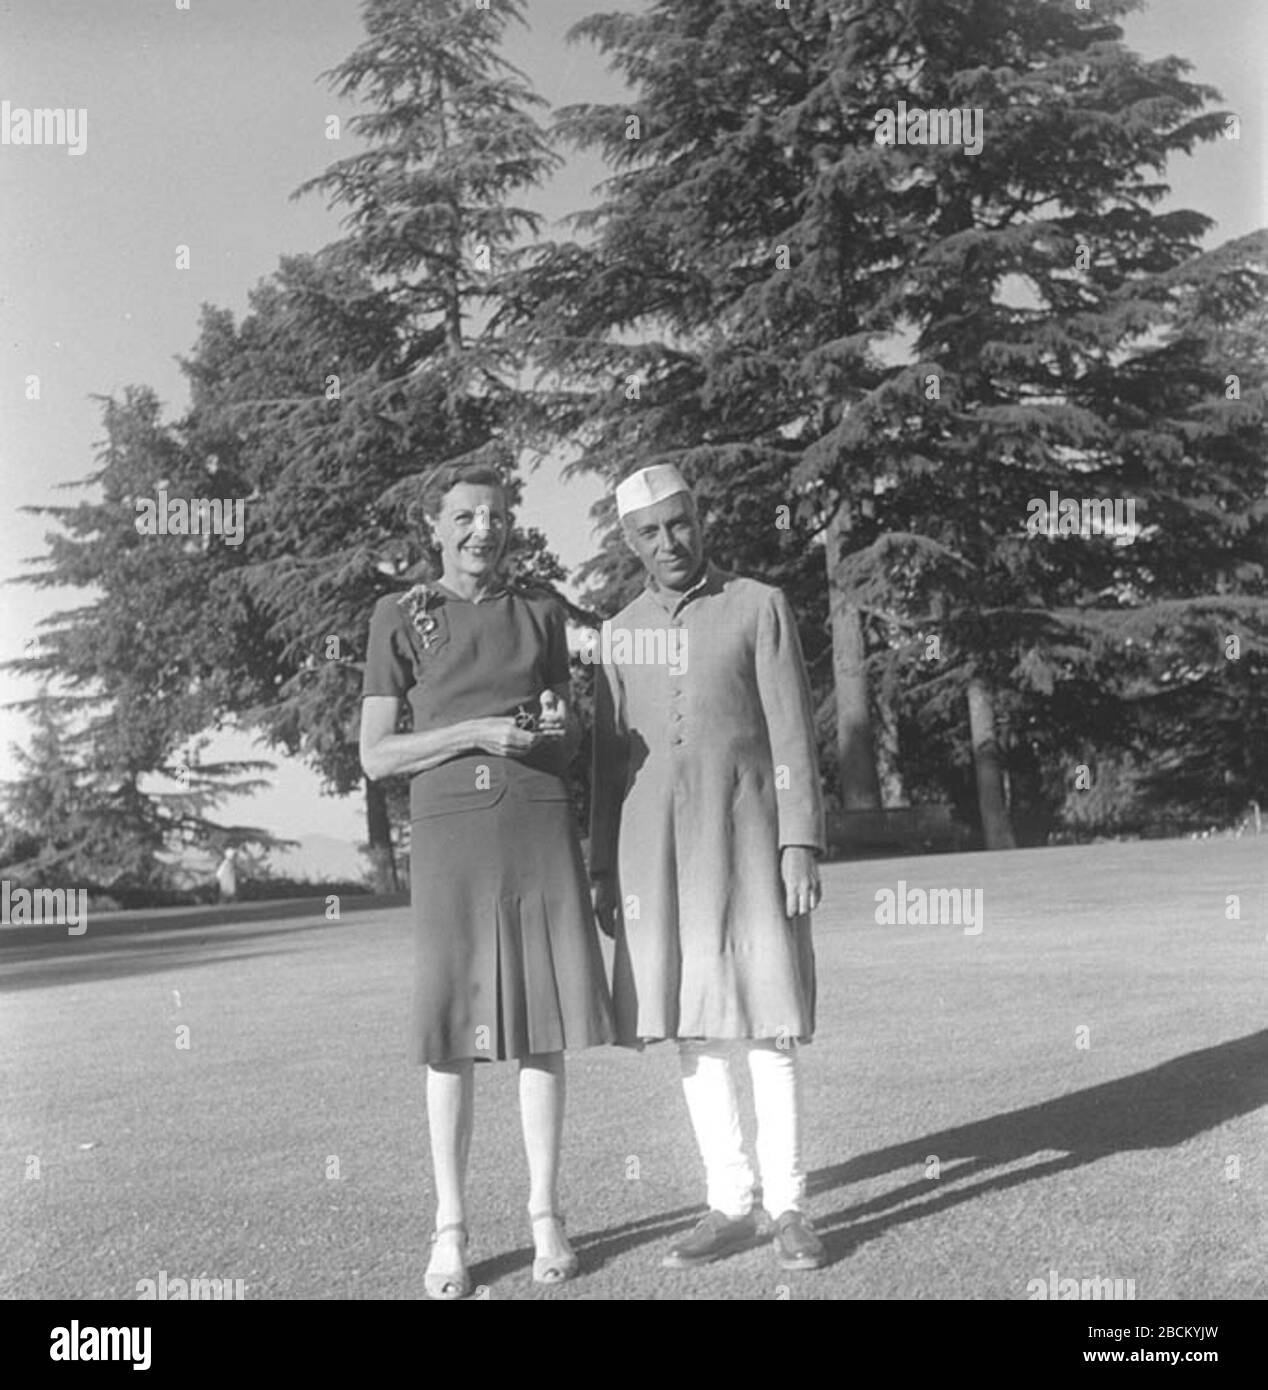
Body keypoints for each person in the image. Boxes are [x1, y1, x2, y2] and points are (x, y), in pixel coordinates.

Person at [359, 462, 614, 1300]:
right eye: (466, 516)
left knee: (541, 1026)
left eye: (498, 515)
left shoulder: (540, 610)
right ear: (434, 526)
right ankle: (451, 1230)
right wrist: (474, 732)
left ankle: (546, 1216)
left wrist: (559, 726)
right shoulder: (398, 615)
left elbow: (561, 730)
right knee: (454, 1036)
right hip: (450, 838)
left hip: (536, 825)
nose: (483, 529)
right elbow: (376, 754)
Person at [589, 463, 828, 1272]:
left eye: (680, 523)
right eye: (649, 532)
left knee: (769, 1022)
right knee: (691, 1028)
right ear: (630, 541)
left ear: (701, 518)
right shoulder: (616, 636)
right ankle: (730, 1200)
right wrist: (599, 869)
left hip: (753, 838)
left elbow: (792, 737)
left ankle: (788, 1206)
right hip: (655, 857)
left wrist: (800, 840)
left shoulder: (759, 605)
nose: (669, 542)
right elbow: (606, 768)